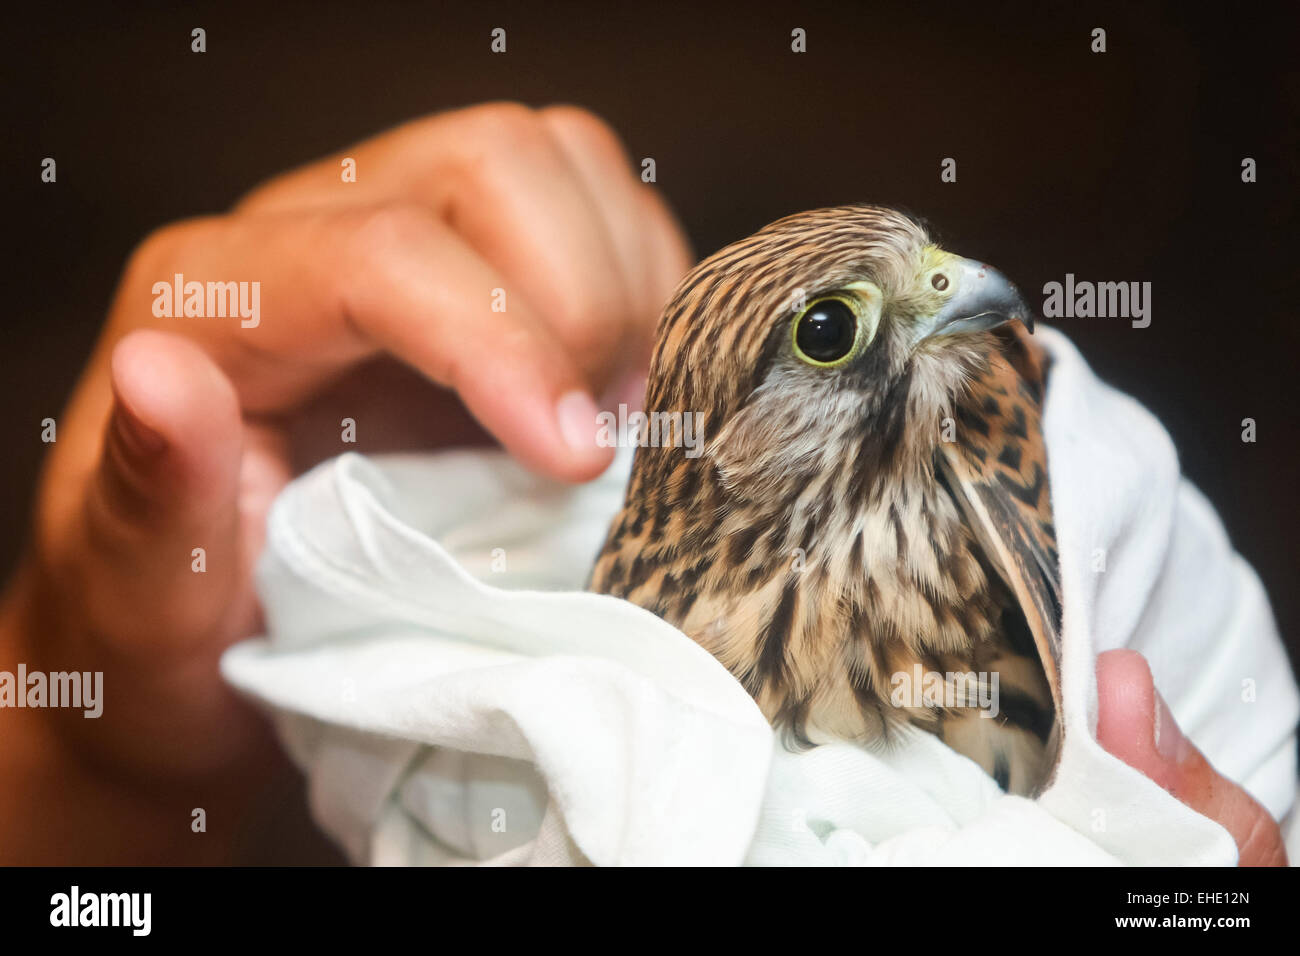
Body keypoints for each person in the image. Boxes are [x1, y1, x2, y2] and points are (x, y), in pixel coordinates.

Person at [0, 103, 1284, 865]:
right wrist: (91, 754)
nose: (960, 298)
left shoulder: (996, 533)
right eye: (838, 333)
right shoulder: (629, 628)